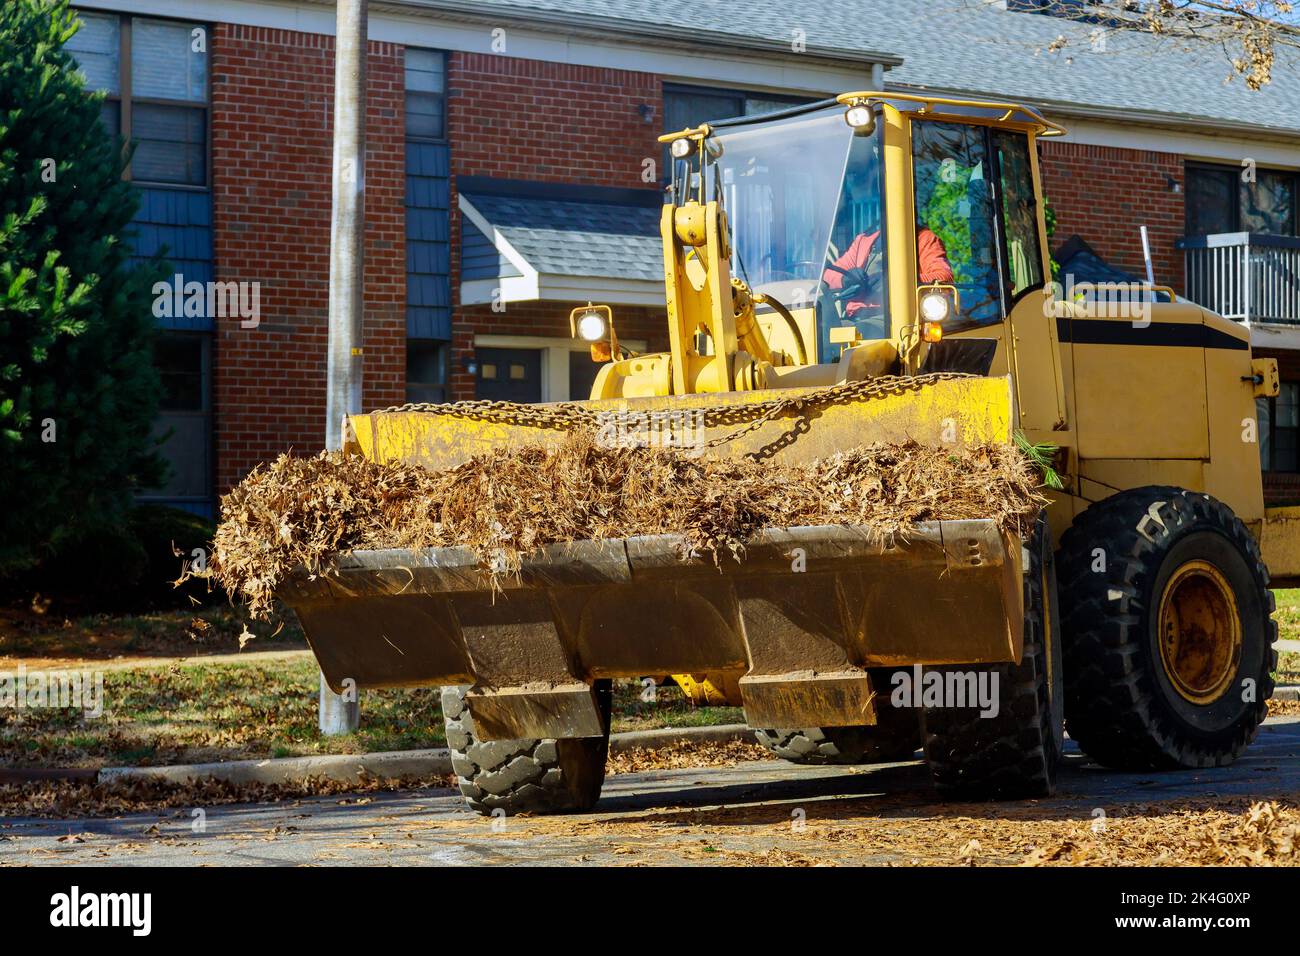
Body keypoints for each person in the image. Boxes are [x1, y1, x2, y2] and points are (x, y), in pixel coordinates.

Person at [822, 226, 953, 317]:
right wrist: (845, 279)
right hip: (856, 316)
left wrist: (895, 283)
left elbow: (944, 276)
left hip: (896, 319)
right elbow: (828, 277)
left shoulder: (923, 238)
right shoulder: (865, 241)